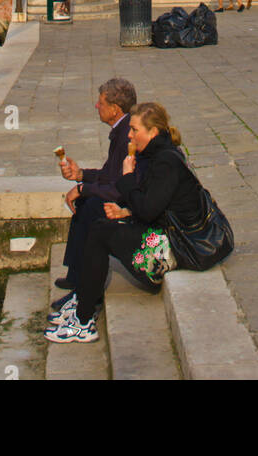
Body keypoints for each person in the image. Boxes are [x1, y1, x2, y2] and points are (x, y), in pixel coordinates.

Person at [46, 102, 208, 345]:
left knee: (101, 233)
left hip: (177, 249)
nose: (129, 136)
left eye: (134, 130)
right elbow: (151, 205)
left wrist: (128, 177)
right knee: (99, 223)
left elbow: (146, 209)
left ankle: (83, 321)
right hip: (165, 235)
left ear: (152, 132)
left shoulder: (166, 162)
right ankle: (83, 303)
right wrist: (124, 212)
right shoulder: (156, 155)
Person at [52, 78, 137, 303]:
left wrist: (83, 188)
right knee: (86, 202)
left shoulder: (125, 135)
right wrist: (81, 176)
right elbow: (109, 174)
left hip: (130, 201)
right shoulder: (121, 130)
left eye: (101, 103)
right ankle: (75, 273)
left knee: (90, 207)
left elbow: (118, 185)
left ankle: (82, 283)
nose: (96, 107)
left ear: (115, 110)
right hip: (124, 191)